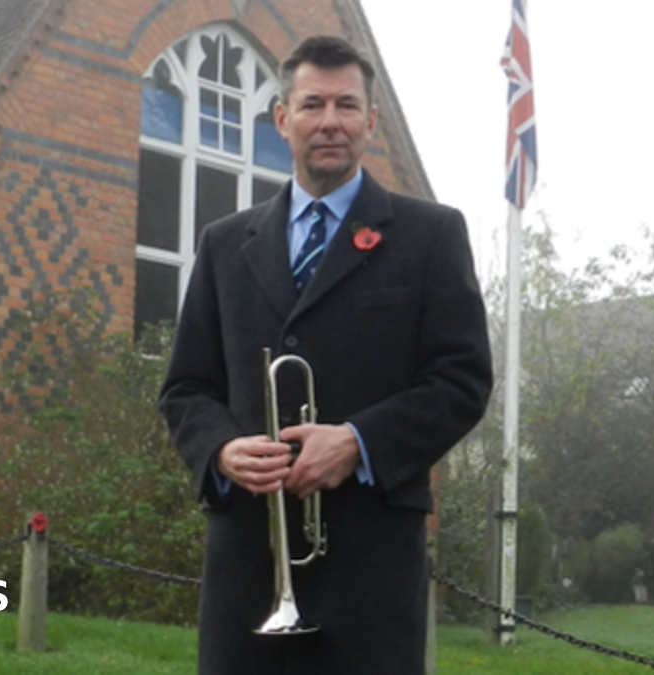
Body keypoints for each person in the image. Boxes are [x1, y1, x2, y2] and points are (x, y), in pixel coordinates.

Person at [159, 34, 493, 675]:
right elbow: (187, 388)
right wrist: (222, 450)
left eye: (346, 105)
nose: (330, 122)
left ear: (371, 119)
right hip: (249, 560)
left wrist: (358, 441)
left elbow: (462, 380)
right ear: (282, 119)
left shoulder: (430, 234)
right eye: (313, 105)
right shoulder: (225, 244)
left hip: (371, 560)